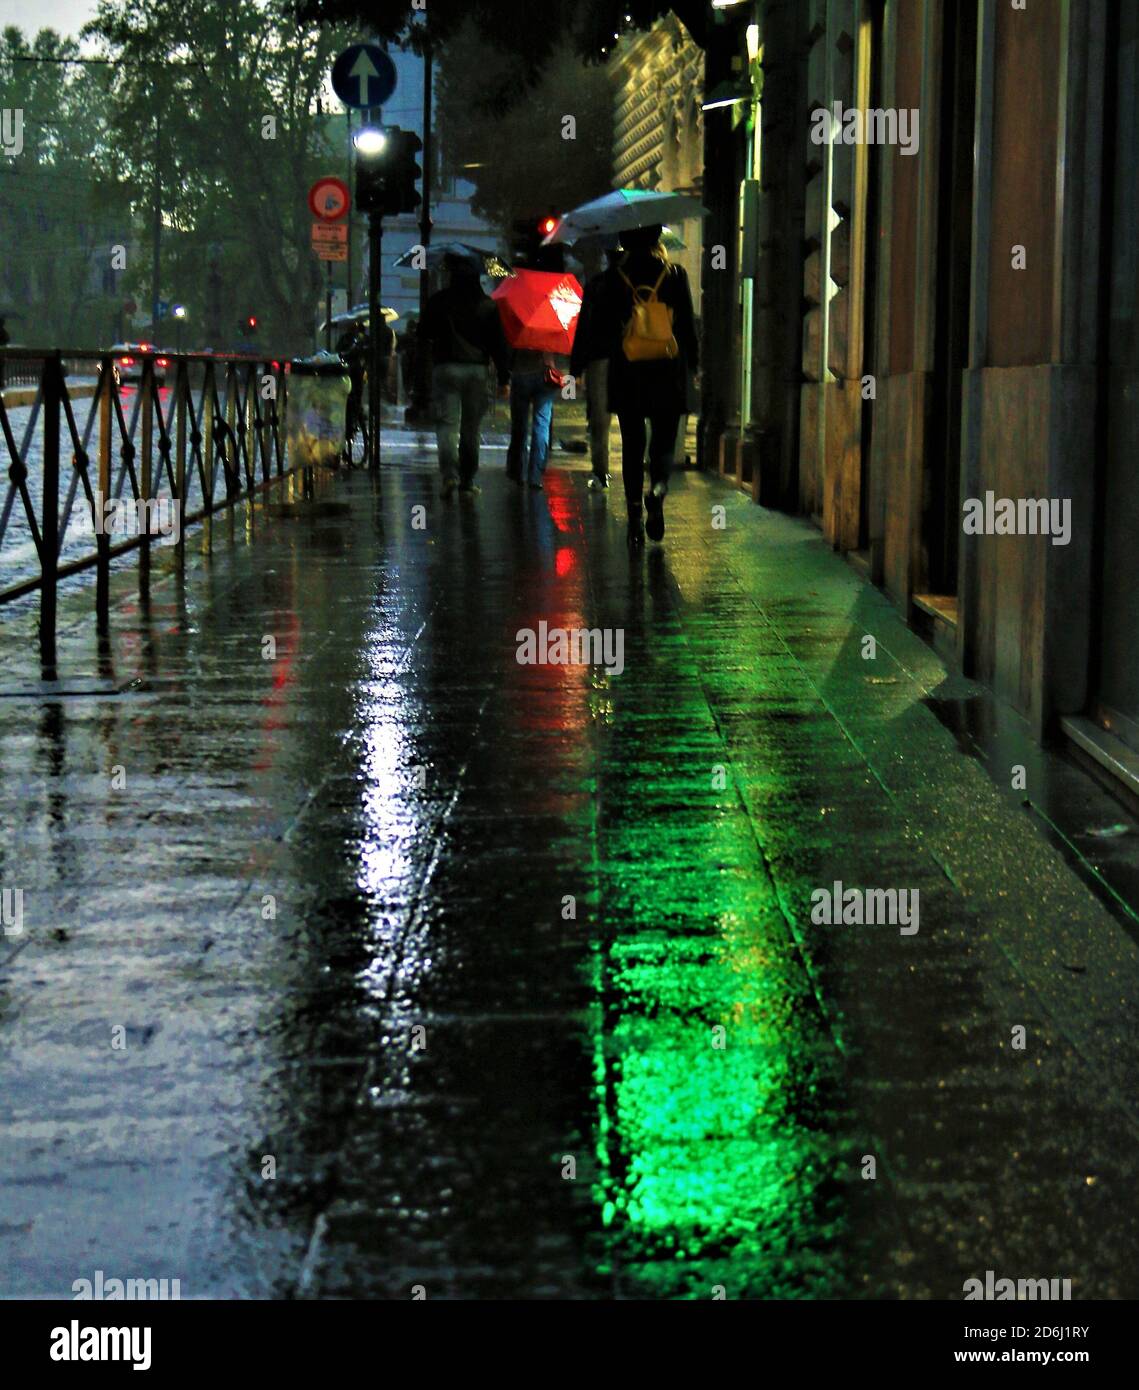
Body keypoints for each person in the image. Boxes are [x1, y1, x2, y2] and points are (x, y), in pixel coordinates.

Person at [596, 225, 699, 547]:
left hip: (628, 371)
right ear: (657, 241)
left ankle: (634, 517)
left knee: (632, 444)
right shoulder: (675, 274)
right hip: (666, 369)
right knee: (664, 442)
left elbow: (605, 327)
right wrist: (693, 366)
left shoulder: (615, 278)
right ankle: (658, 489)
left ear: (623, 242)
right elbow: (687, 325)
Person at [422, 256, 511, 496]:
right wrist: (504, 378)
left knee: (448, 425)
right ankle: (467, 480)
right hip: (476, 370)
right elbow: (498, 345)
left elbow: (424, 333)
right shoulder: (487, 305)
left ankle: (449, 475)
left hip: (446, 367)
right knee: (471, 428)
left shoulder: (438, 301)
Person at [569, 251, 617, 491]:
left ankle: (601, 472)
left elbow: (584, 329)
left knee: (600, 421)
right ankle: (635, 469)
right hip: (633, 358)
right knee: (634, 418)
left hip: (600, 360)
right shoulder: (639, 284)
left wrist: (576, 368)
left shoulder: (597, 285)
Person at [506, 344, 568, 490]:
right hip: (546, 375)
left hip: (521, 373)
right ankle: (535, 476)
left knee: (519, 425)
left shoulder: (519, 323)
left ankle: (518, 472)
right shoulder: (552, 322)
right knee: (542, 425)